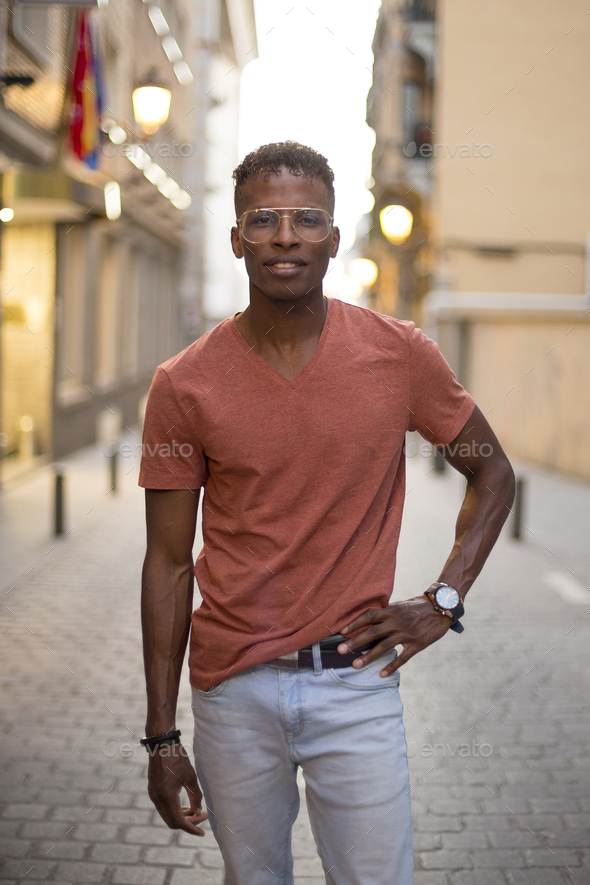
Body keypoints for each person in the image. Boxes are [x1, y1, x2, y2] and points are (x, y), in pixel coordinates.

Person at [138, 141, 515, 885]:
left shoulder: (399, 355)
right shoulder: (184, 383)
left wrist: (444, 599)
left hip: (356, 681)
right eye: (264, 219)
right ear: (237, 238)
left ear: (334, 238)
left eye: (307, 218)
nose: (285, 236)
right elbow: (168, 561)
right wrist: (160, 736)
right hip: (232, 690)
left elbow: (492, 471)